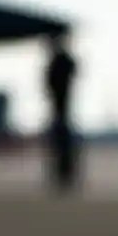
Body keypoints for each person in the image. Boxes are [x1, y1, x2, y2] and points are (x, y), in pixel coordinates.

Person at [44, 34, 79, 192]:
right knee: (60, 145)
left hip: (61, 110)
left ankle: (64, 176)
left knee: (61, 144)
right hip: (60, 110)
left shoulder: (60, 62)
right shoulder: (61, 61)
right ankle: (63, 176)